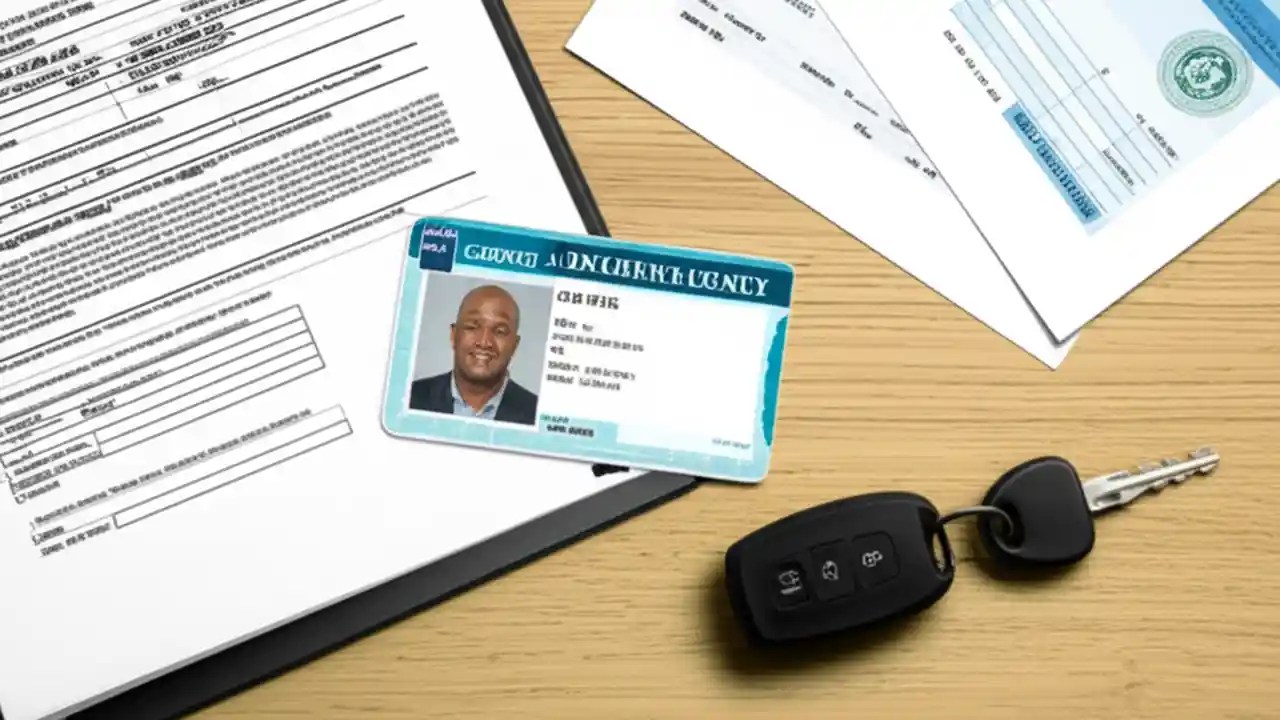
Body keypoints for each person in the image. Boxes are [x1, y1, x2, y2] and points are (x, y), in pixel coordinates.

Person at [409, 284, 539, 425]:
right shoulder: (410, 398)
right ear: (453, 335)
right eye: (472, 327)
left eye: (500, 331)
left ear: (515, 345)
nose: (484, 342)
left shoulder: (537, 415)